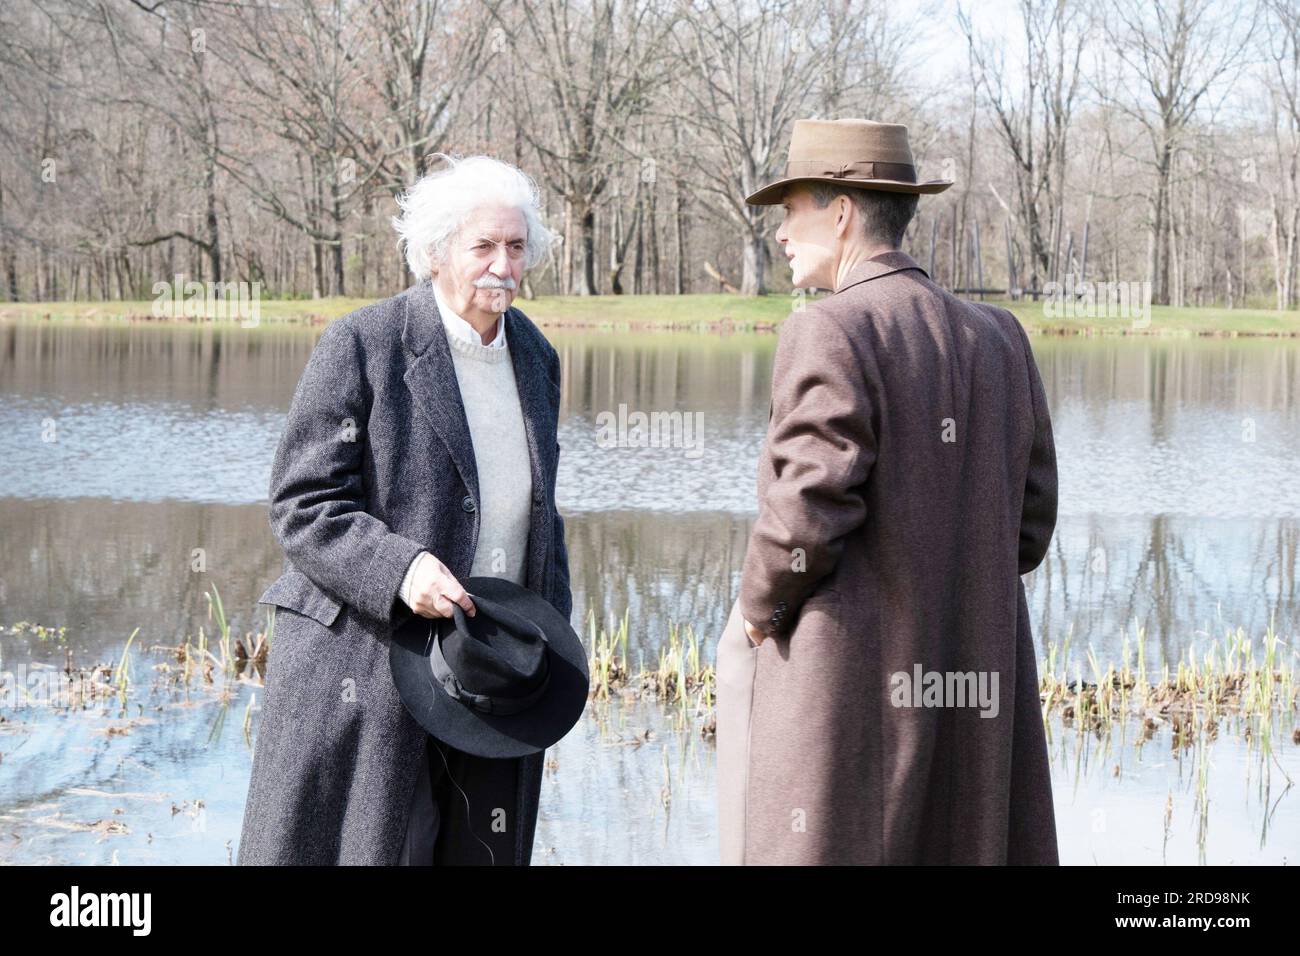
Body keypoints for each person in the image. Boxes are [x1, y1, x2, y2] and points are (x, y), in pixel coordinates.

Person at [716, 118, 1060, 864]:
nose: (781, 232)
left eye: (792, 208)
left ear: (840, 211)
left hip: (848, 696)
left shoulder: (829, 329)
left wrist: (754, 613)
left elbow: (806, 515)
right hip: (976, 689)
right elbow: (1030, 527)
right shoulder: (1001, 336)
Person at [236, 153, 572, 865]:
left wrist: (554, 647)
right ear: (435, 253)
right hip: (363, 663)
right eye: (483, 246)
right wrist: (401, 569)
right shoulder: (362, 344)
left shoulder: (537, 356)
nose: (502, 265)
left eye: (516, 246)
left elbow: (544, 514)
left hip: (489, 668)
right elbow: (303, 503)